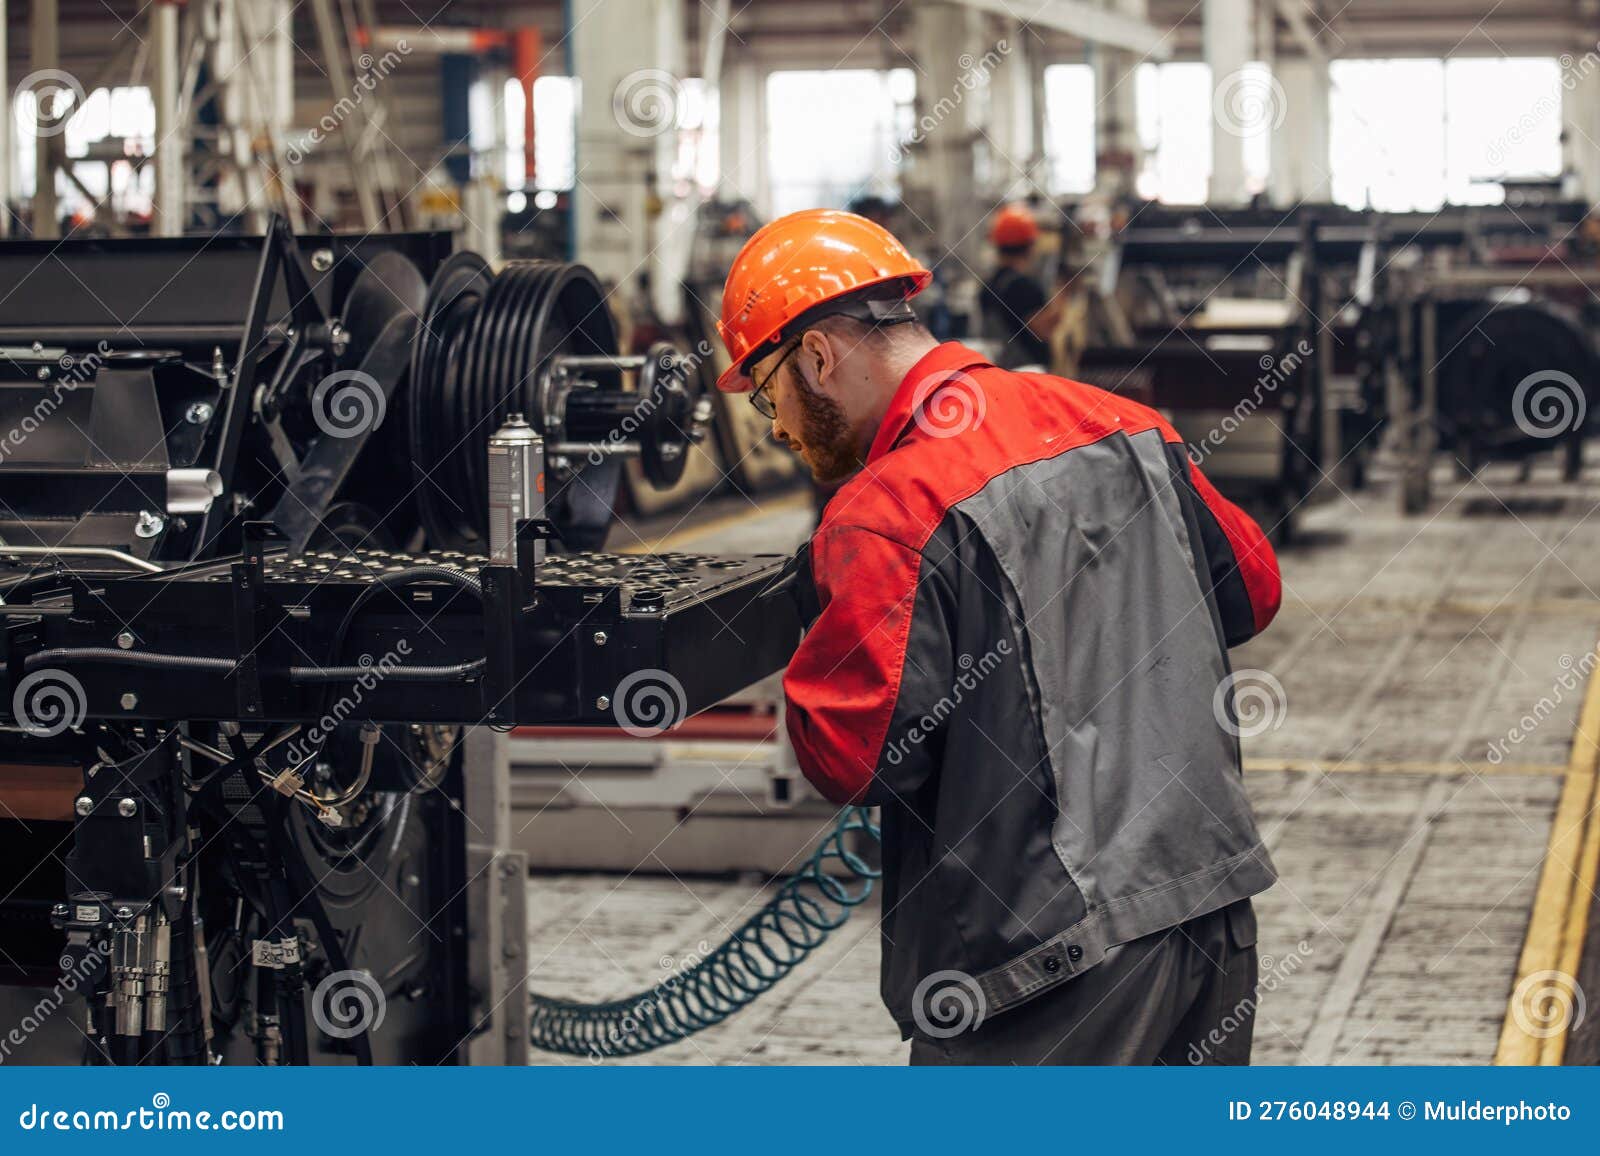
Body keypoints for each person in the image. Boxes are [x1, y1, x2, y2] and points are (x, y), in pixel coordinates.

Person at [713, 208, 1283, 1065]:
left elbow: (855, 760)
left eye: (769, 393)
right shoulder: (1122, 423)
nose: (776, 425)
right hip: (1208, 920)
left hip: (1047, 974)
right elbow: (1253, 592)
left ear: (819, 358)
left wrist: (823, 628)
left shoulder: (888, 512)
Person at [979, 202, 1066, 370]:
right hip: (1027, 374)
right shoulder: (1023, 286)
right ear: (1030, 246)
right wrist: (1065, 294)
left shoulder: (988, 284)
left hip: (997, 372)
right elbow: (1042, 330)